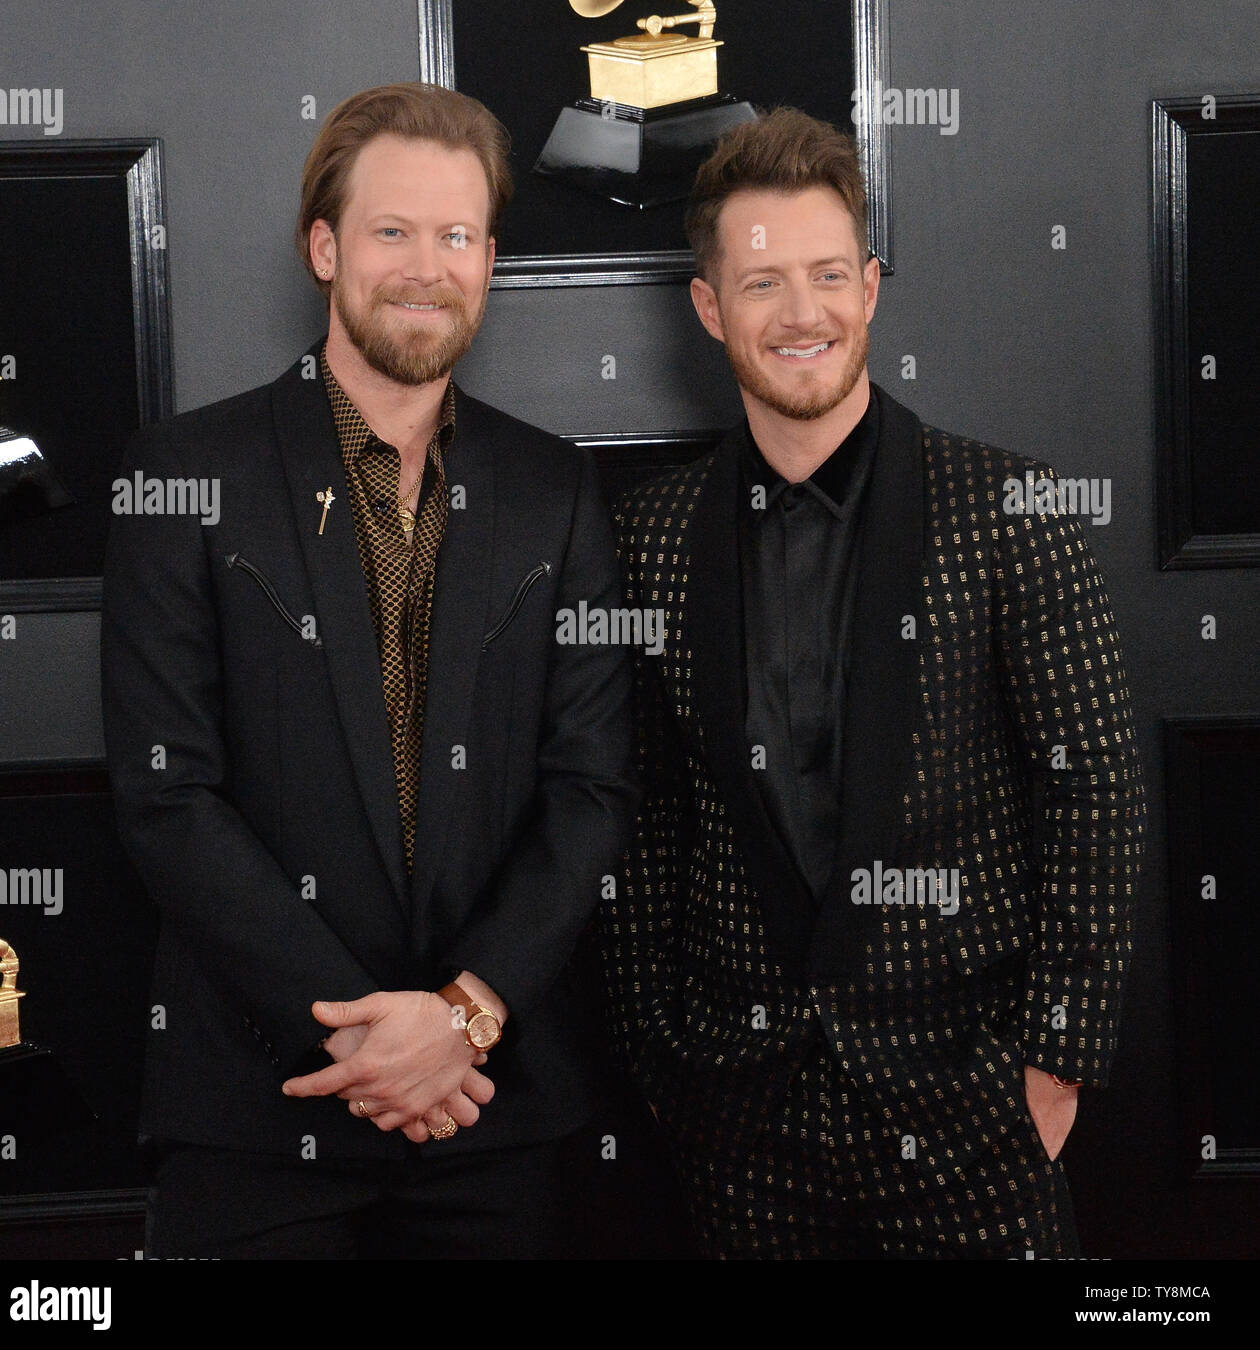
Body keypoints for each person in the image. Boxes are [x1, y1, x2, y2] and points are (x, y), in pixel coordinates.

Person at [101, 82, 635, 1259]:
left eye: (456, 235)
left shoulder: (555, 491)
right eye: (393, 230)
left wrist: (463, 1016)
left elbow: (590, 789)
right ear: (324, 245)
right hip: (258, 1112)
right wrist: (369, 1043)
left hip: (492, 1111)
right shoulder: (183, 475)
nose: (426, 266)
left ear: (489, 259)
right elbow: (164, 794)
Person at [600, 108, 1146, 1259]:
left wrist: (1053, 1062)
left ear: (872, 287)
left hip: (973, 1114)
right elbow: (644, 818)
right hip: (740, 1120)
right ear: (709, 309)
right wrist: (661, 1057)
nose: (802, 313)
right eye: (761, 284)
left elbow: (1092, 789)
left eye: (828, 275)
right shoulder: (646, 537)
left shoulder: (1011, 510)